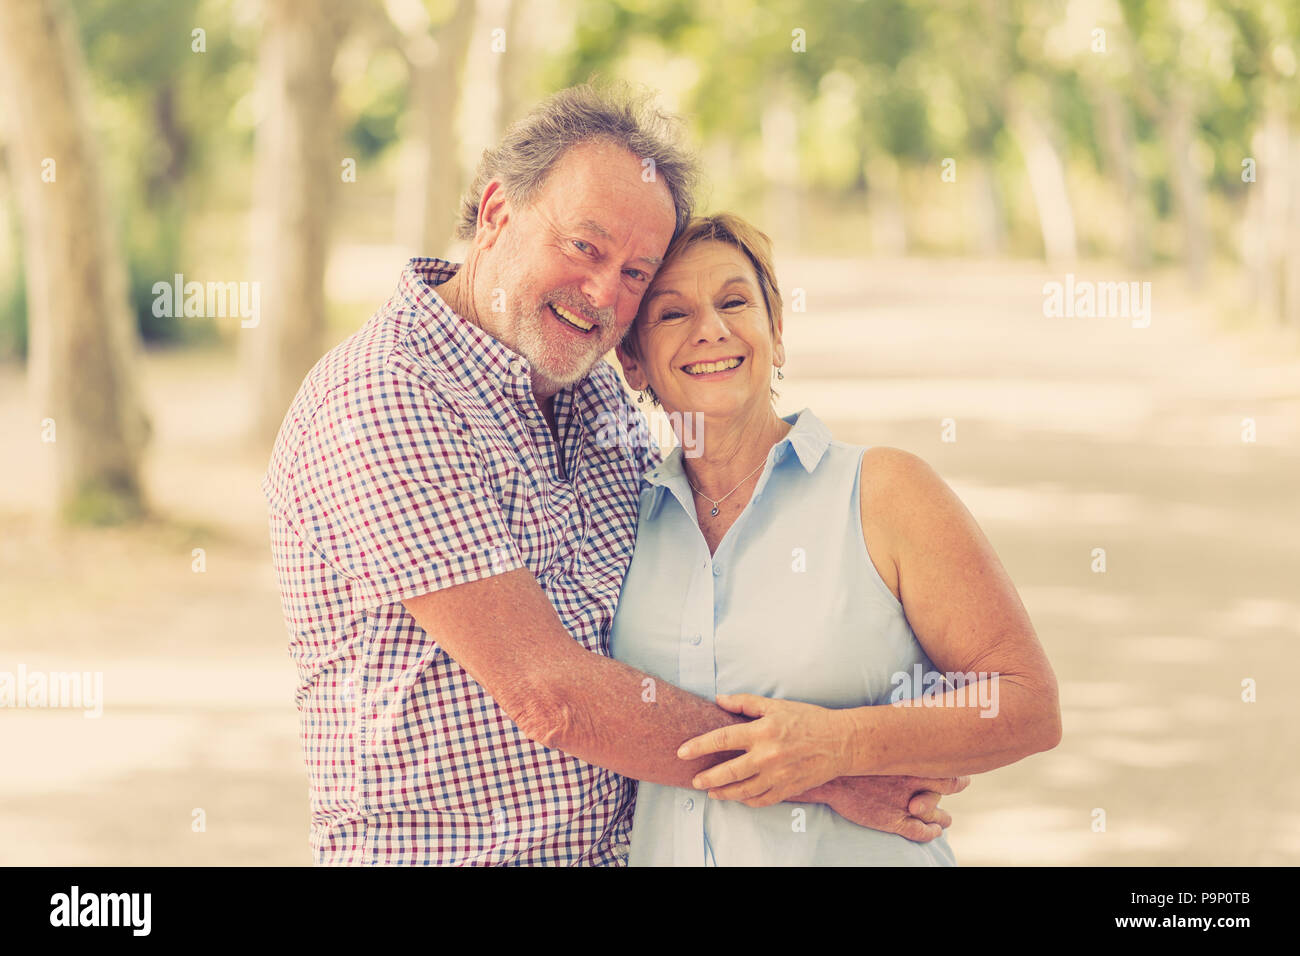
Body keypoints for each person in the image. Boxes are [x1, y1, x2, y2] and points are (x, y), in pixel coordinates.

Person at [262, 83, 967, 866]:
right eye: (583, 248)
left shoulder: (593, 382)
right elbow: (550, 694)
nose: (604, 295)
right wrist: (822, 775)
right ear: (496, 212)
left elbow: (707, 557)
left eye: (636, 274)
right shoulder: (385, 396)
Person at [611, 213, 1062, 865]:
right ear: (634, 360)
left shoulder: (884, 491)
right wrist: (830, 780)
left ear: (778, 332)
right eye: (671, 314)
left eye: (734, 301)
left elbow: (1026, 704)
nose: (711, 328)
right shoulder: (624, 518)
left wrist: (842, 742)